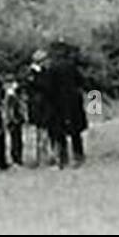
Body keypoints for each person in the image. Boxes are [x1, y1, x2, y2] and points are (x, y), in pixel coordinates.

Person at [47, 37, 87, 168]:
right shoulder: (71, 66)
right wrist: (95, 106)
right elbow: (83, 82)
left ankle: (63, 159)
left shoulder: (52, 67)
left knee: (60, 133)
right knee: (75, 132)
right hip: (73, 101)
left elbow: (49, 87)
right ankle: (78, 156)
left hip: (57, 103)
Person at [3, 75, 26, 167]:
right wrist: (12, 119)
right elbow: (9, 109)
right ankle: (16, 159)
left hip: (16, 119)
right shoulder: (10, 94)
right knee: (15, 139)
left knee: (18, 139)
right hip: (13, 120)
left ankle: (18, 158)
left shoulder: (14, 93)